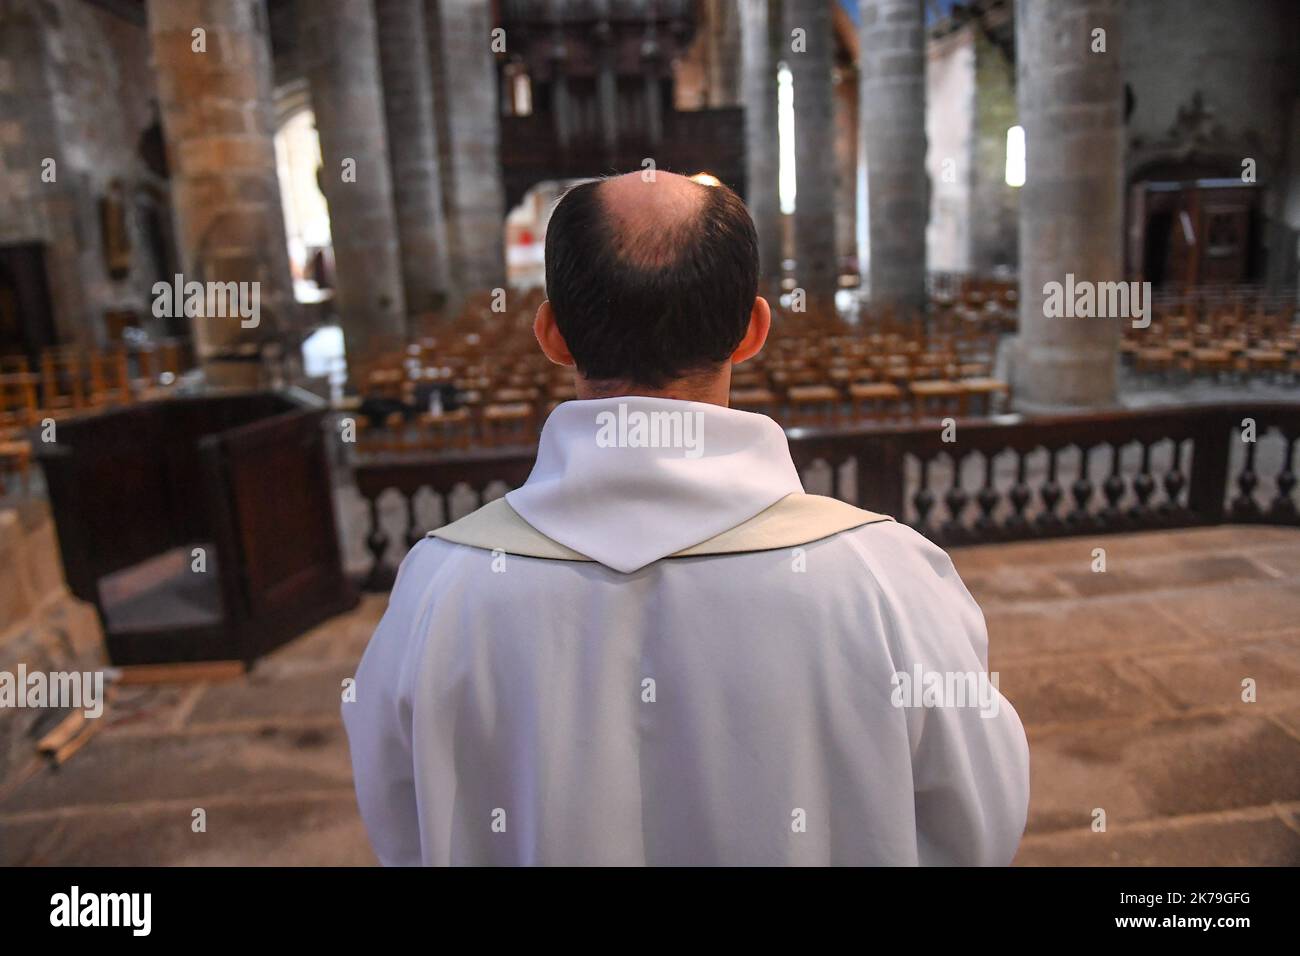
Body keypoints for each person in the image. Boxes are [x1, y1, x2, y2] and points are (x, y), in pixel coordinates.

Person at [343, 171, 1030, 865]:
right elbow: (978, 826)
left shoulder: (440, 590)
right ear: (752, 330)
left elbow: (405, 828)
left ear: (551, 334)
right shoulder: (887, 582)